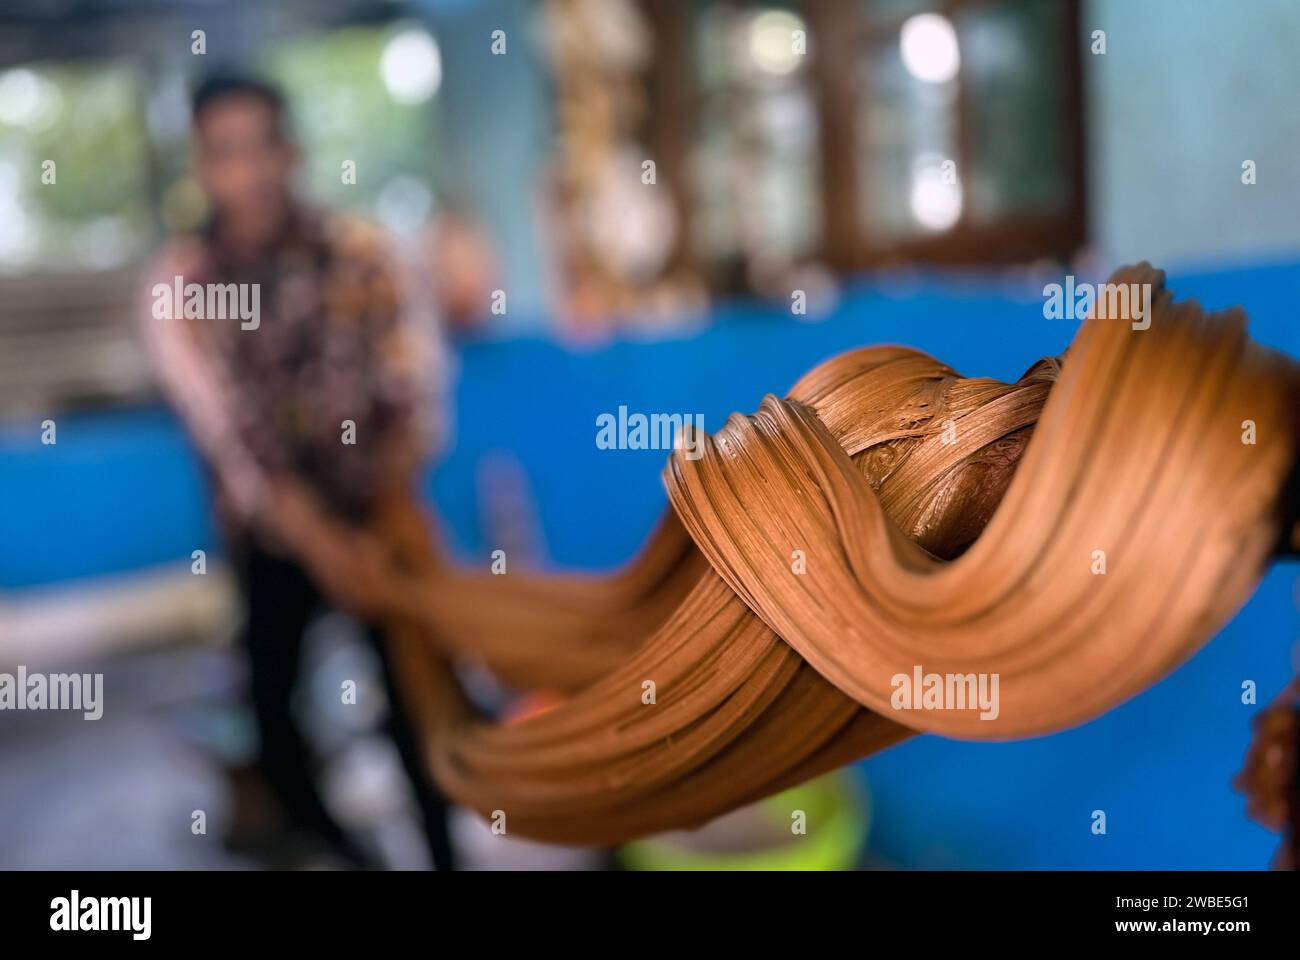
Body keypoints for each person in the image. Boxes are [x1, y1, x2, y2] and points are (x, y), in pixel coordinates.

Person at [140, 72, 454, 870]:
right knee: (275, 725)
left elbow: (413, 391)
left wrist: (378, 523)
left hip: (377, 522)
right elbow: (234, 441)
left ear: (292, 151)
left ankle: (445, 854)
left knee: (423, 712)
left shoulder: (364, 256)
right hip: (276, 545)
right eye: (225, 152)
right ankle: (348, 855)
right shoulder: (184, 289)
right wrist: (326, 549)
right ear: (203, 167)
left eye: (261, 147)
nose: (248, 171)